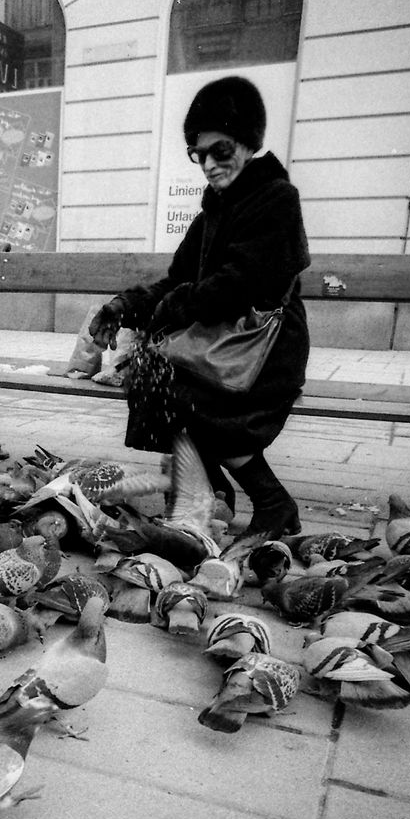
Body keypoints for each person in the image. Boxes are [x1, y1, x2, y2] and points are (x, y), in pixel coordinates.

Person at [89, 75, 310, 543]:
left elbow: (240, 284)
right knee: (154, 377)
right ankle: (209, 494)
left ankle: (274, 503)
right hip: (218, 341)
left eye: (220, 151)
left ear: (249, 143)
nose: (208, 164)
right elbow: (177, 280)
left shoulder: (276, 200)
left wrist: (172, 307)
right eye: (199, 153)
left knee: (186, 395)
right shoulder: (215, 209)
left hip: (263, 349)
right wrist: (123, 306)